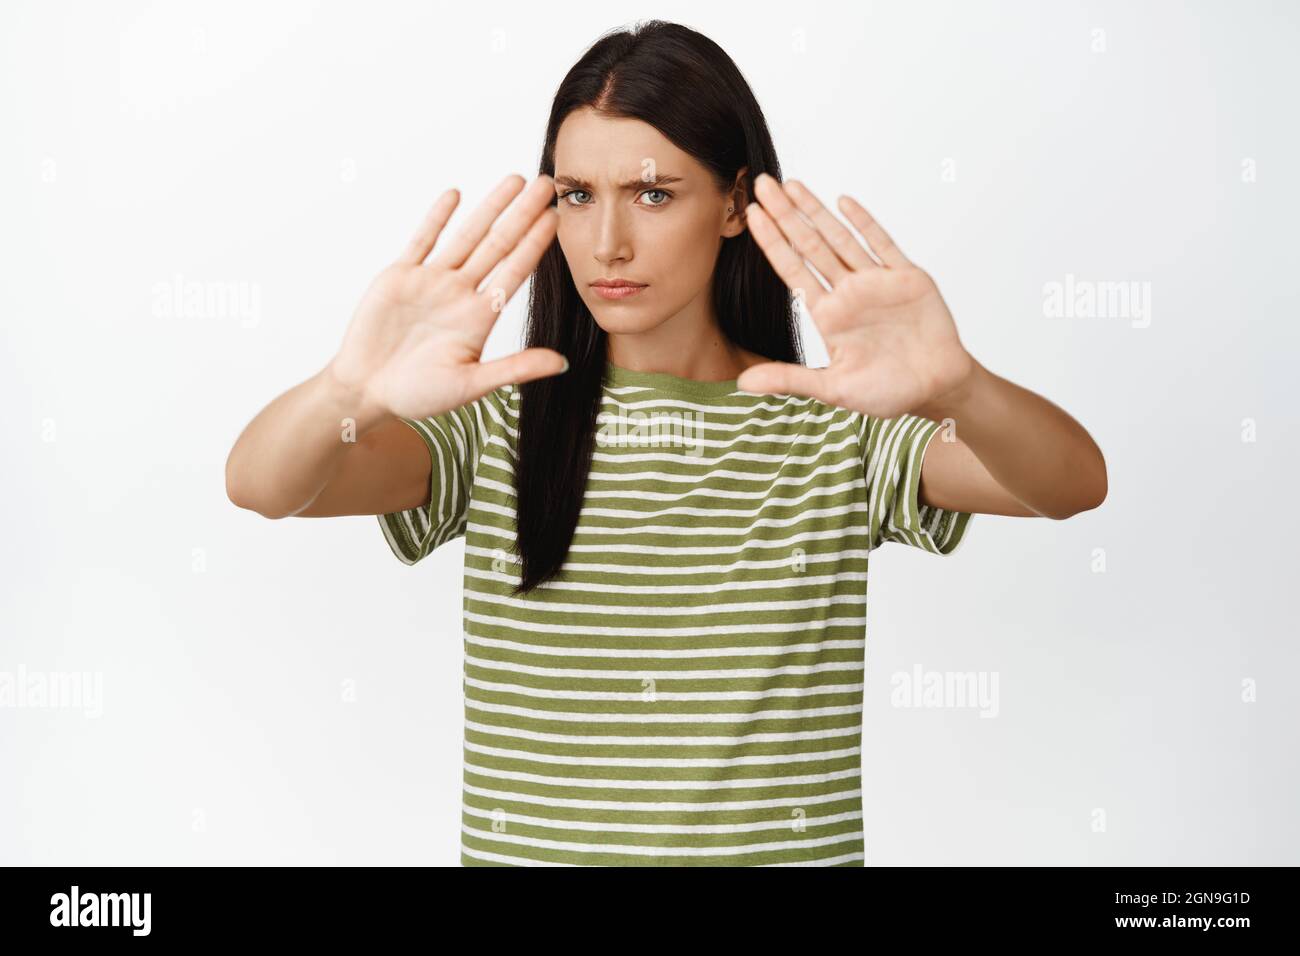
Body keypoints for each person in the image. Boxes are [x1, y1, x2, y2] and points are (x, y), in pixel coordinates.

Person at [225, 20, 1106, 866]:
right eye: (578, 196)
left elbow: (1072, 484)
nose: (607, 242)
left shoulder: (830, 426)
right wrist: (349, 390)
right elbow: (262, 485)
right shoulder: (498, 425)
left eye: (653, 193)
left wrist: (961, 387)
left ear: (731, 202)